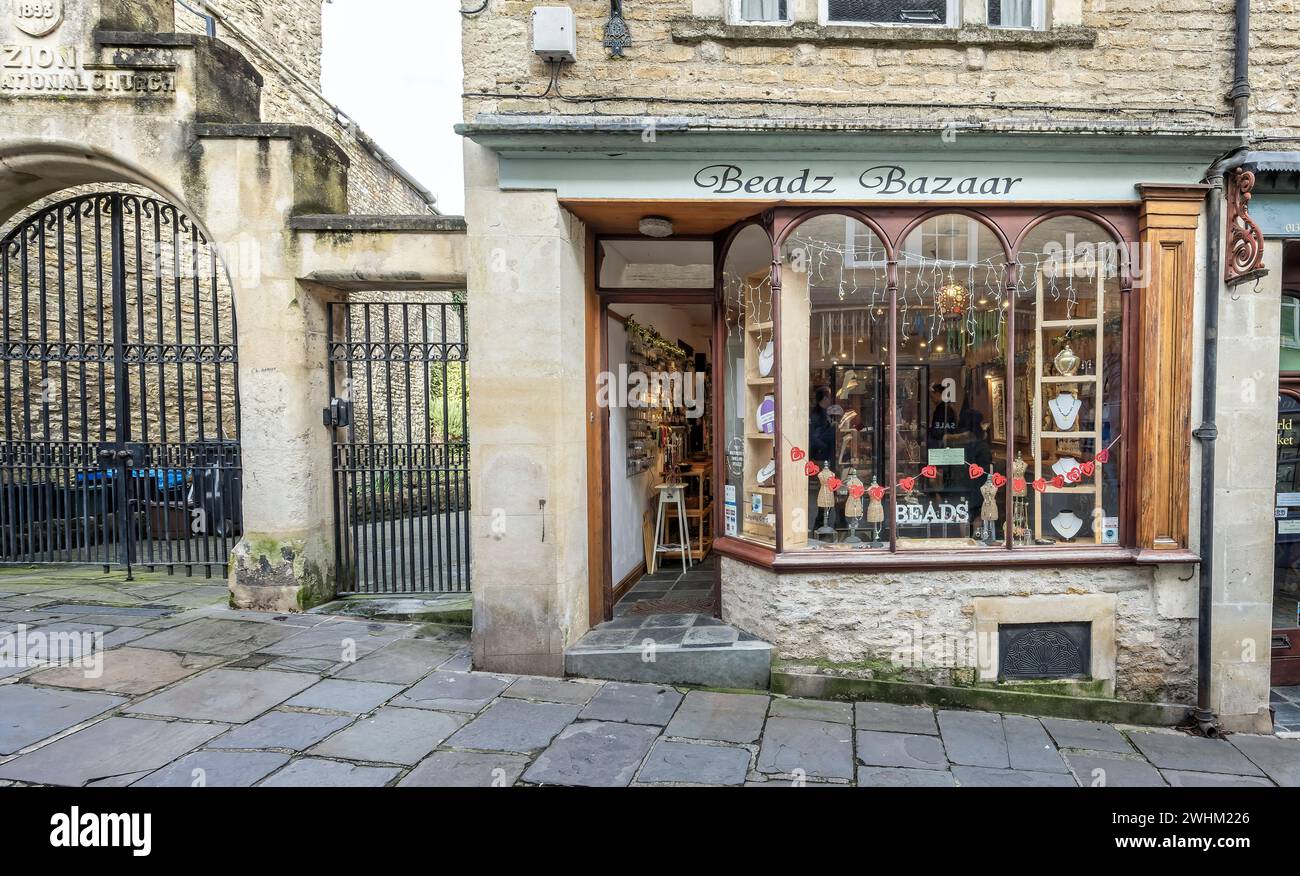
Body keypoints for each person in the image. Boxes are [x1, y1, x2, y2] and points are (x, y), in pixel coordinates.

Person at [809, 386, 835, 466]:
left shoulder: (825, 412)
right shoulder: (816, 415)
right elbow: (814, 437)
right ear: (825, 399)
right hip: (821, 457)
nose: (832, 400)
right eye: (830, 397)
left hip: (824, 455)